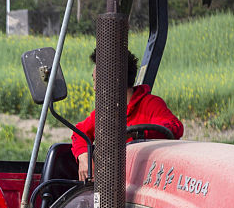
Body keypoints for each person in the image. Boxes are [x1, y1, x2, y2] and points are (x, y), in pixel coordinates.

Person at [72, 49, 183, 181]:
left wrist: (137, 134)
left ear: (114, 81)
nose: (95, 88)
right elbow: (79, 132)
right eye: (94, 80)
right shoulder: (104, 112)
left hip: (142, 180)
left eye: (98, 80)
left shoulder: (151, 104)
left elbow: (174, 127)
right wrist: (84, 157)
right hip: (114, 182)